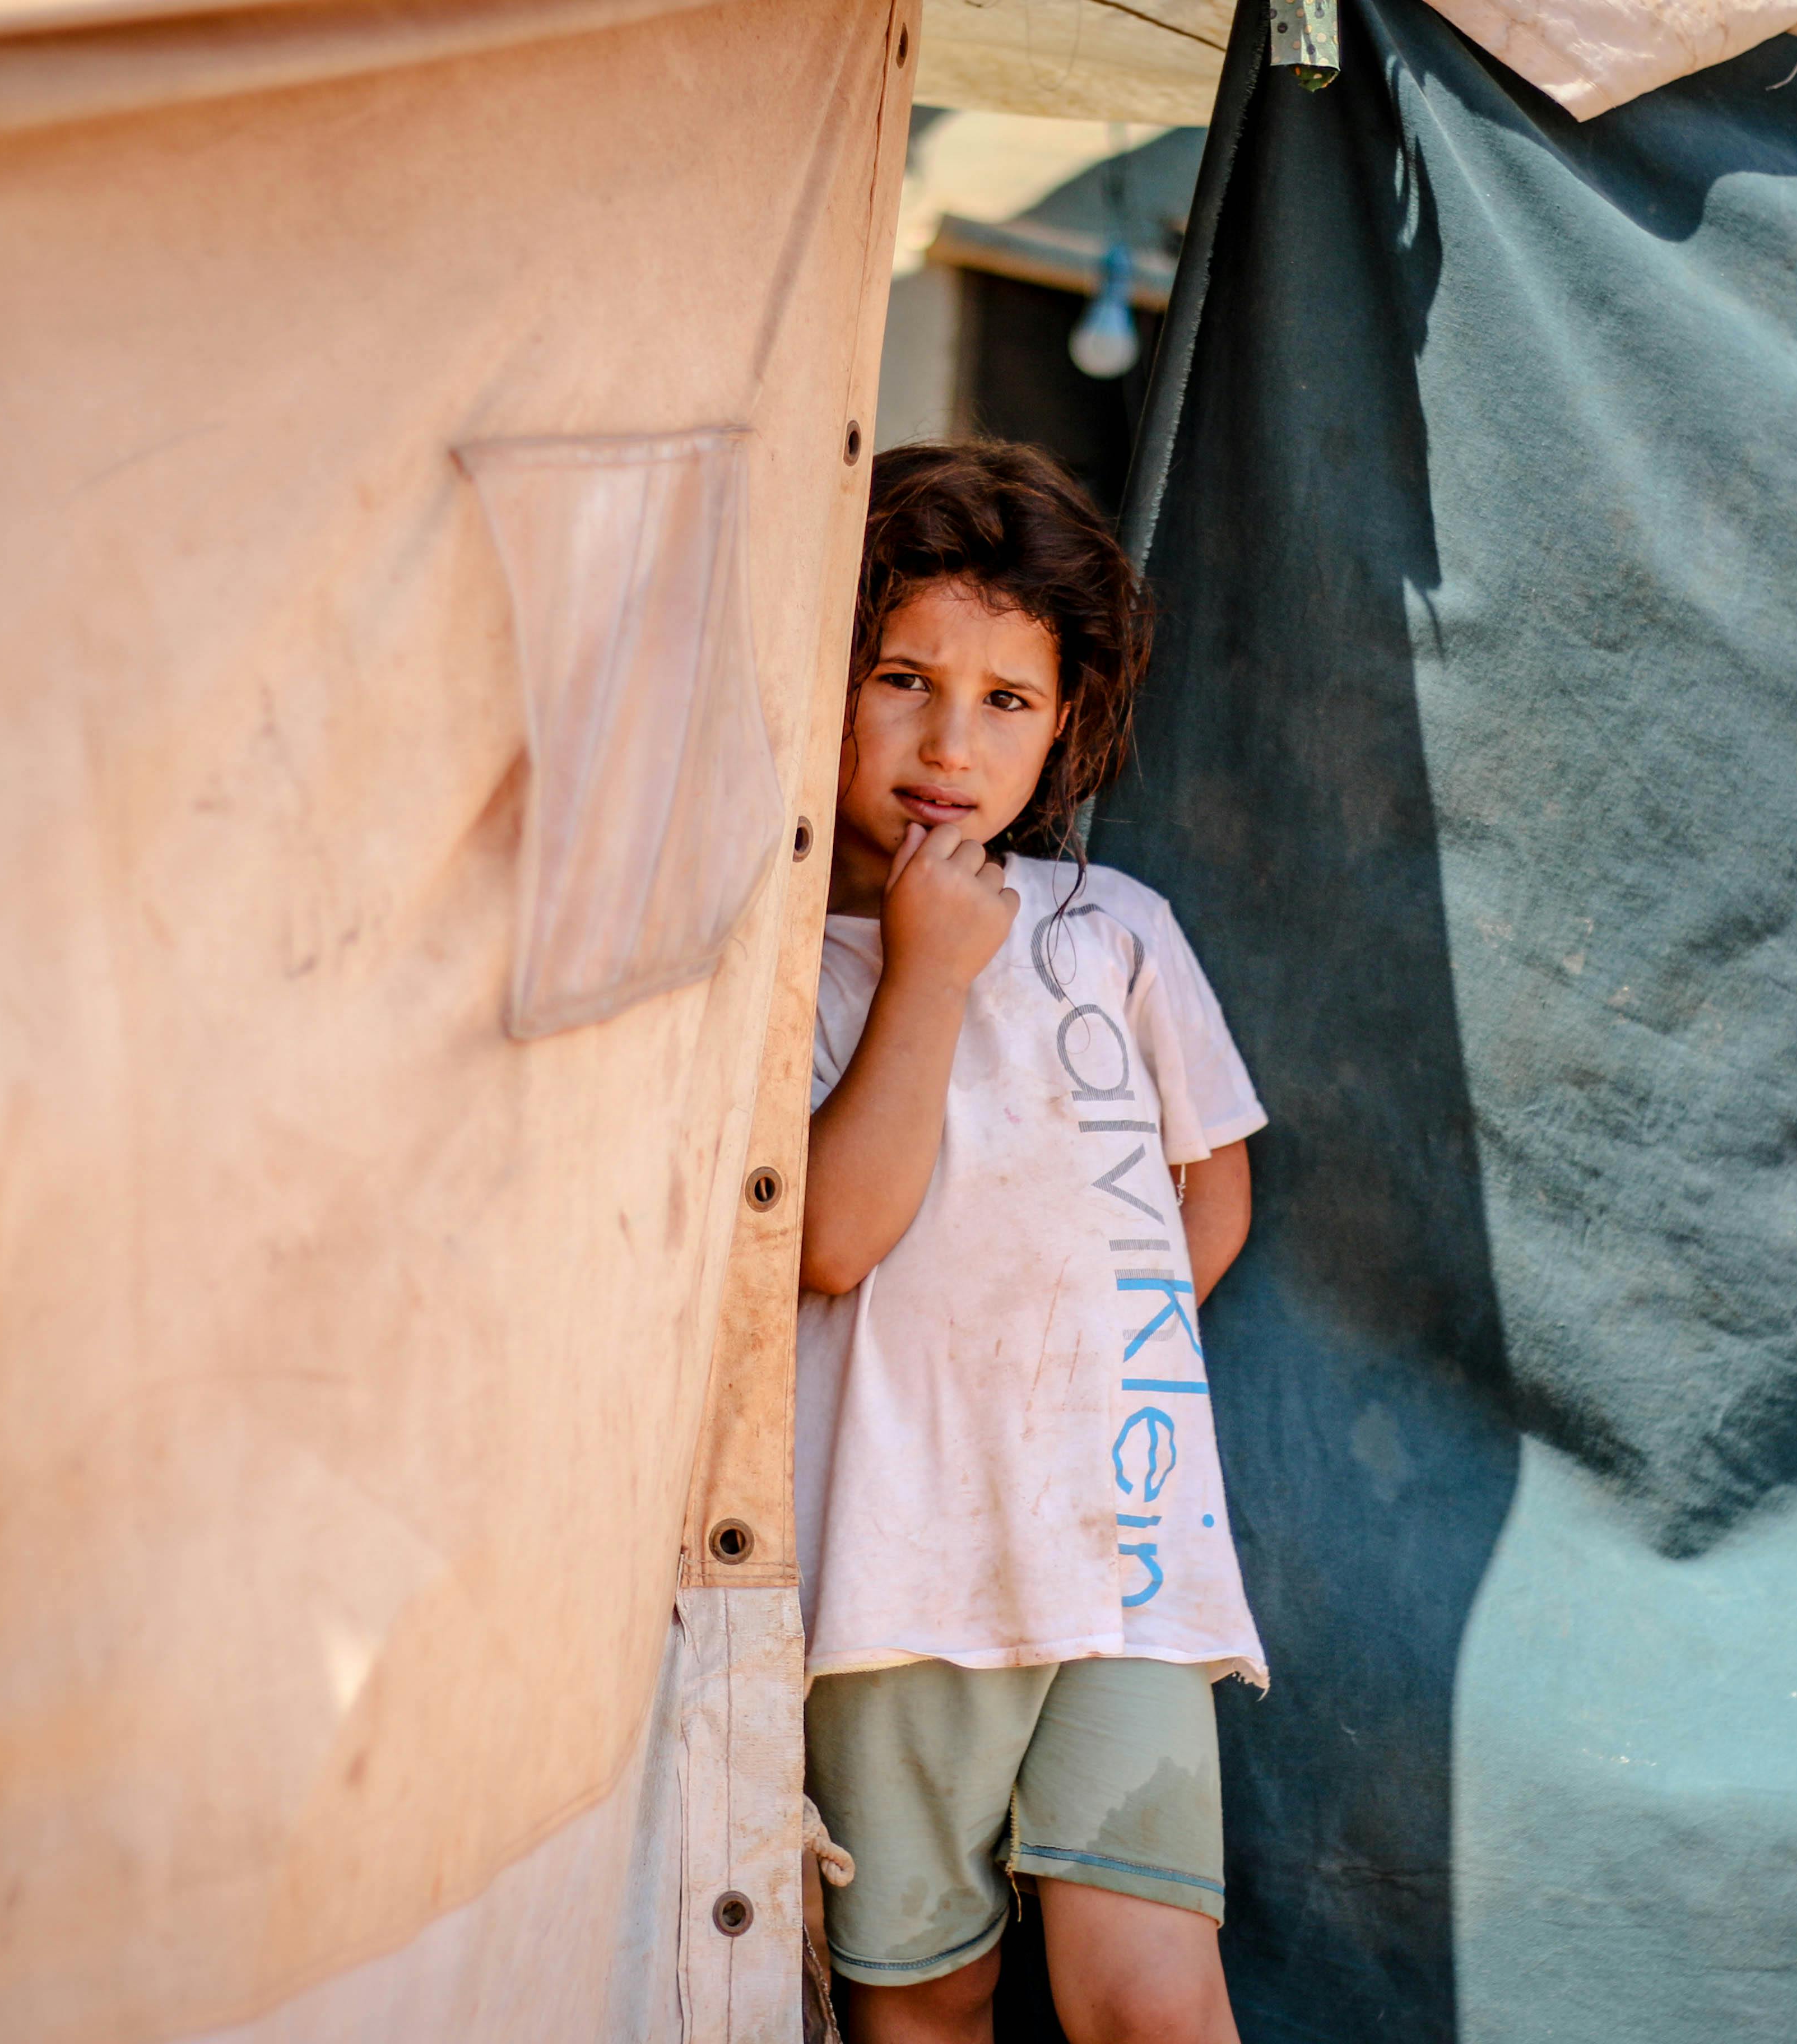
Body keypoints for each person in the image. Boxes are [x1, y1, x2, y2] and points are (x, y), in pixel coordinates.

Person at [798, 439, 1265, 2044]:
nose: (950, 741)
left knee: (1157, 1999)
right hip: (896, 1566)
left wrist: (1096, 1358)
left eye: (1008, 698)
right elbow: (832, 1241)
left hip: (1128, 1547)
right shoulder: (783, 973)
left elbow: (1214, 1183)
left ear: (1065, 725)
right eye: (903, 679)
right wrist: (925, 970)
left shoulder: (1114, 929)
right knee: (928, 1998)